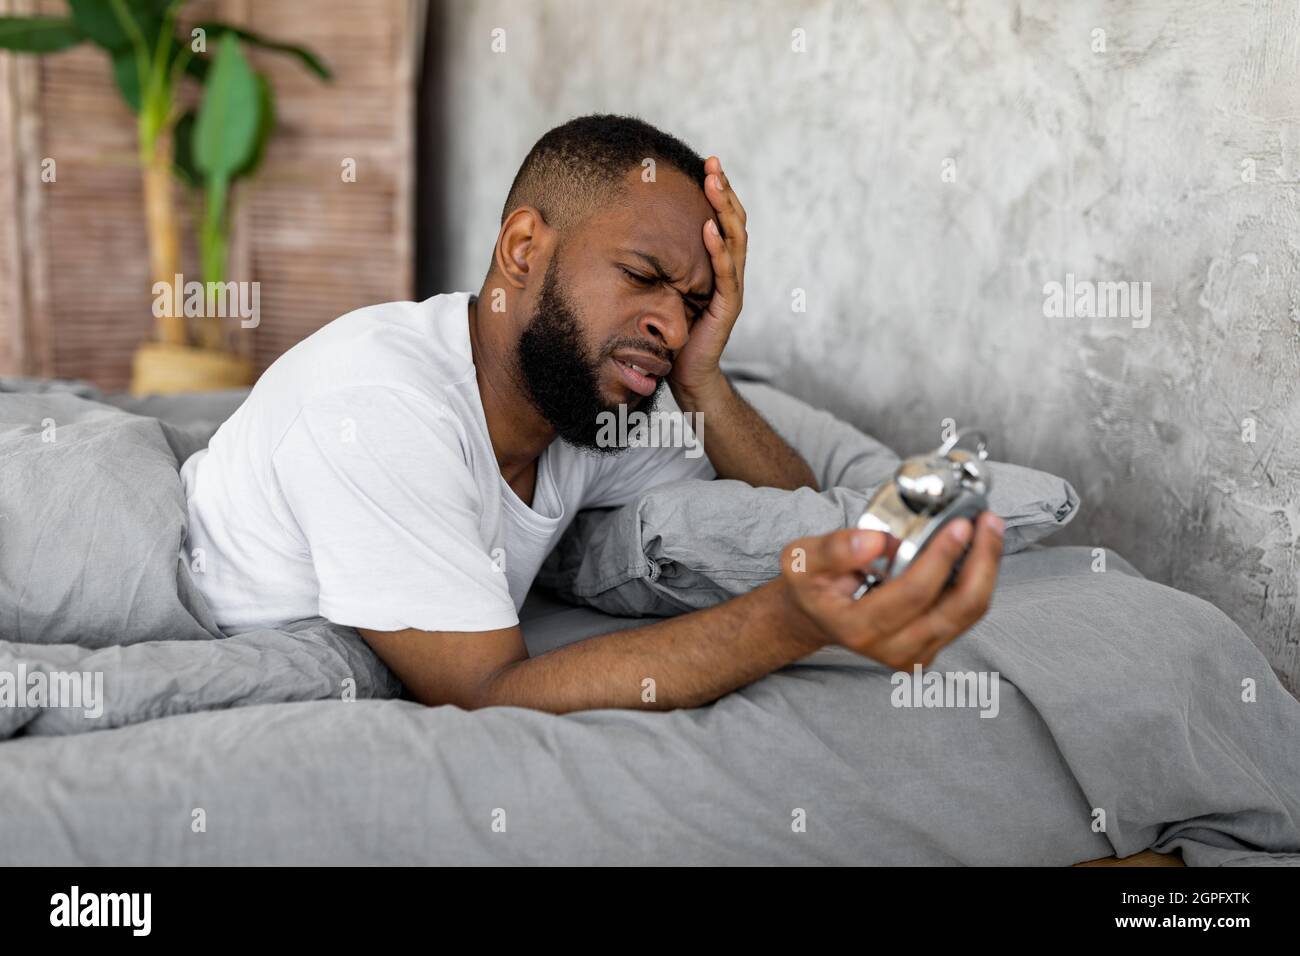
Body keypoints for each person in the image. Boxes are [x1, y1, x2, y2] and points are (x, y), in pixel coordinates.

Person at [181, 114, 1004, 713]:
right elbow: (487, 691)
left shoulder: (586, 407)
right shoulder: (380, 405)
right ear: (523, 249)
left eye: (695, 304)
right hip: (168, 580)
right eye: (644, 276)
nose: (672, 325)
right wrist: (788, 620)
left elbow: (786, 506)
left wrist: (704, 381)